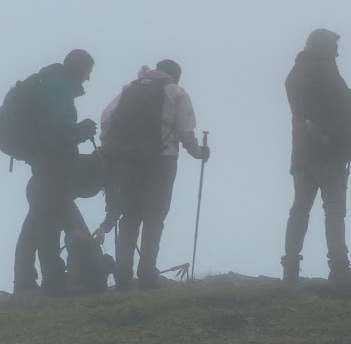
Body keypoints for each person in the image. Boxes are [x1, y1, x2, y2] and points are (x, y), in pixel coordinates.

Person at [96, 60, 208, 289]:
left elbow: (106, 118)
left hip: (126, 161)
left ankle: (122, 273)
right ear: (176, 76)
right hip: (162, 160)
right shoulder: (175, 91)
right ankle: (147, 273)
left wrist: (113, 148)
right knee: (154, 217)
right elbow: (185, 130)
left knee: (129, 216)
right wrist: (198, 153)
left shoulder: (130, 89)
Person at [13, 49, 98, 296]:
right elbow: (54, 129)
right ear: (77, 69)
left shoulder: (54, 84)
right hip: (52, 165)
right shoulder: (58, 87)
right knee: (47, 223)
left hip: (45, 163)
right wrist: (82, 130)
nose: (88, 79)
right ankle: (51, 280)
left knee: (37, 221)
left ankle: (27, 280)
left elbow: (52, 128)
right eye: (87, 73)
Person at [283, 29, 351, 284]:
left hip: (302, 151)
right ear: (325, 47)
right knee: (334, 208)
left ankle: (291, 266)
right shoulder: (325, 67)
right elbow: (345, 97)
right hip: (328, 150)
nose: (338, 52)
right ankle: (339, 265)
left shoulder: (295, 73)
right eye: (334, 47)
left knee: (300, 209)